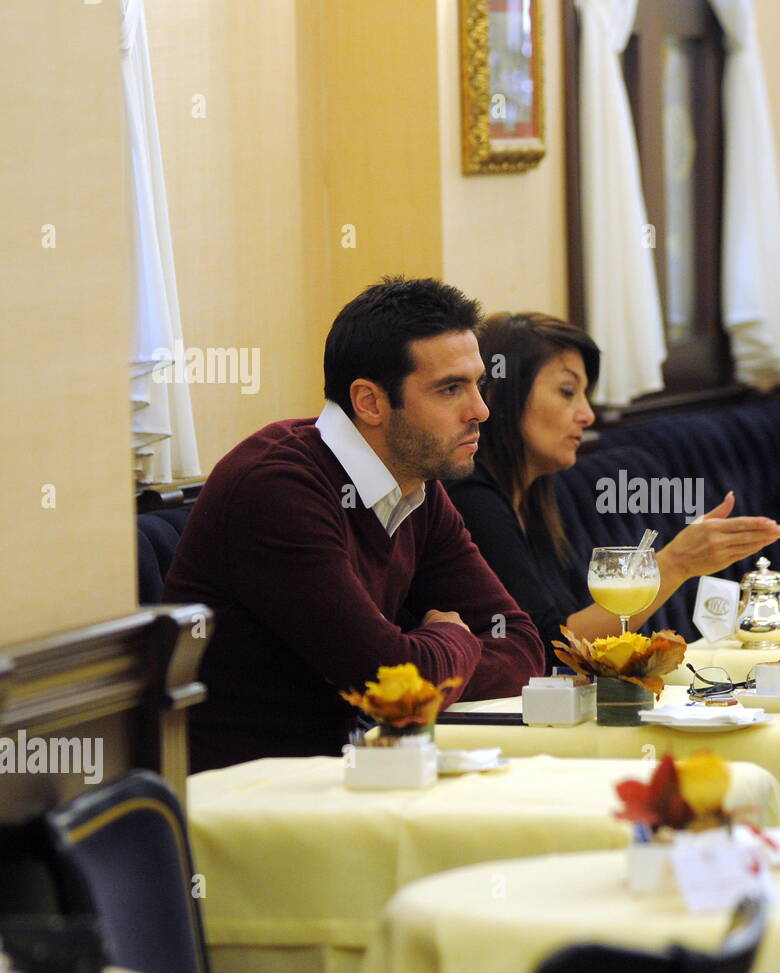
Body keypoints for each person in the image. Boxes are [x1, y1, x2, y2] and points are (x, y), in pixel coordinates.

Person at [164, 277, 545, 773]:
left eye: (477, 384)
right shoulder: (278, 488)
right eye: (451, 389)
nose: (481, 410)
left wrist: (437, 654)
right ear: (369, 402)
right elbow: (381, 676)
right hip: (249, 796)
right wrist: (455, 641)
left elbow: (521, 645)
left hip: (358, 774)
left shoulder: (415, 482)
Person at [445, 312, 780, 662]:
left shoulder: (532, 496)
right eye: (567, 392)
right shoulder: (471, 498)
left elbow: (565, 631)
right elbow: (550, 651)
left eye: (585, 394)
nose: (587, 415)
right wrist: (677, 563)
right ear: (502, 396)